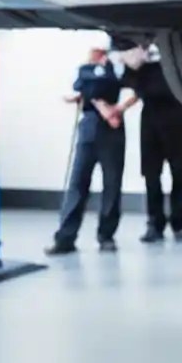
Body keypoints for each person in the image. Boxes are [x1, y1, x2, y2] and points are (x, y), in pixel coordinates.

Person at [46, 42, 127, 255]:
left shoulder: (117, 68)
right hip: (90, 127)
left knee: (112, 183)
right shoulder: (85, 70)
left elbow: (106, 83)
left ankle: (106, 236)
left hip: (112, 129)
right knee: (78, 182)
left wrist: (98, 89)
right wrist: (99, 100)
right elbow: (83, 85)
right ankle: (65, 237)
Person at [116, 43, 182, 243]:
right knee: (151, 174)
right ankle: (154, 223)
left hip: (178, 116)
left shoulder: (180, 59)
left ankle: (178, 222)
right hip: (151, 117)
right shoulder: (142, 57)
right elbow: (128, 81)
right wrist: (131, 60)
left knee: (179, 172)